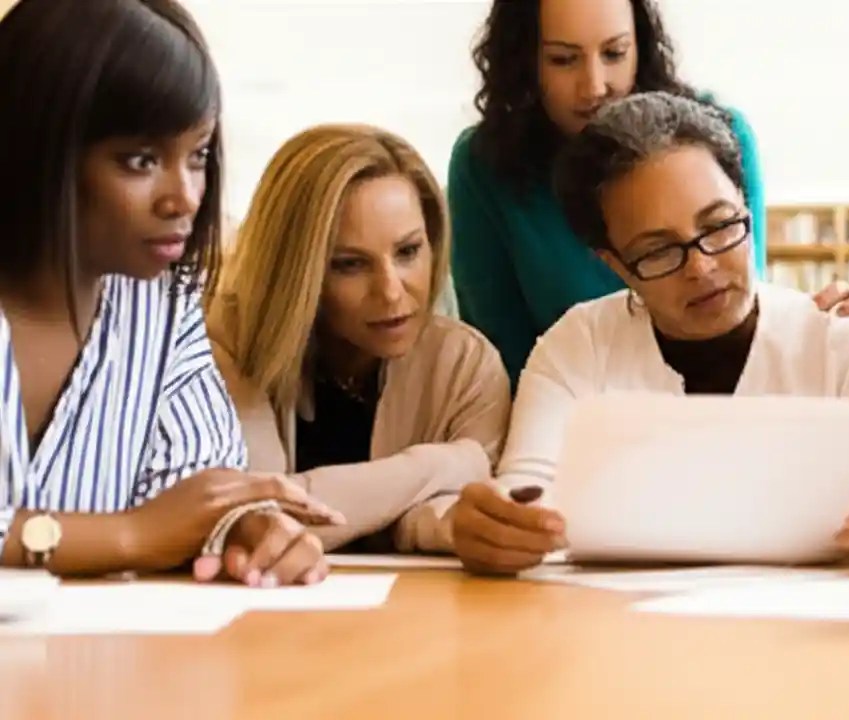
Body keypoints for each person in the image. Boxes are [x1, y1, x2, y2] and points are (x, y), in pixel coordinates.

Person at [444, 92, 849, 575]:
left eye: (719, 227)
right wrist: (497, 528)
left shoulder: (847, 342)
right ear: (614, 264)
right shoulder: (579, 347)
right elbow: (524, 494)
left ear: (746, 205)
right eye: (658, 251)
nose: (702, 267)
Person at [0, 0, 338, 586]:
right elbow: (156, 526)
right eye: (140, 161)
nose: (185, 198)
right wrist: (132, 535)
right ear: (38, 149)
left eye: (199, 156)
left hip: (91, 672)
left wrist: (241, 527)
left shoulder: (166, 307)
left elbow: (193, 488)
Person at [208, 124, 510, 555]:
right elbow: (262, 523)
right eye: (350, 264)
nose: (391, 291)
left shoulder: (464, 364)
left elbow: (441, 518)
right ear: (297, 269)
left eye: (408, 252)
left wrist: (437, 521)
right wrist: (442, 463)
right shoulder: (226, 344)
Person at [448, 0, 771, 383]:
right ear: (525, 59)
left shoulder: (718, 137)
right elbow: (502, 360)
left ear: (642, 45)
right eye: (564, 60)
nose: (595, 86)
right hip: (566, 417)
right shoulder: (484, 165)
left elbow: (747, 310)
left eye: (615, 53)